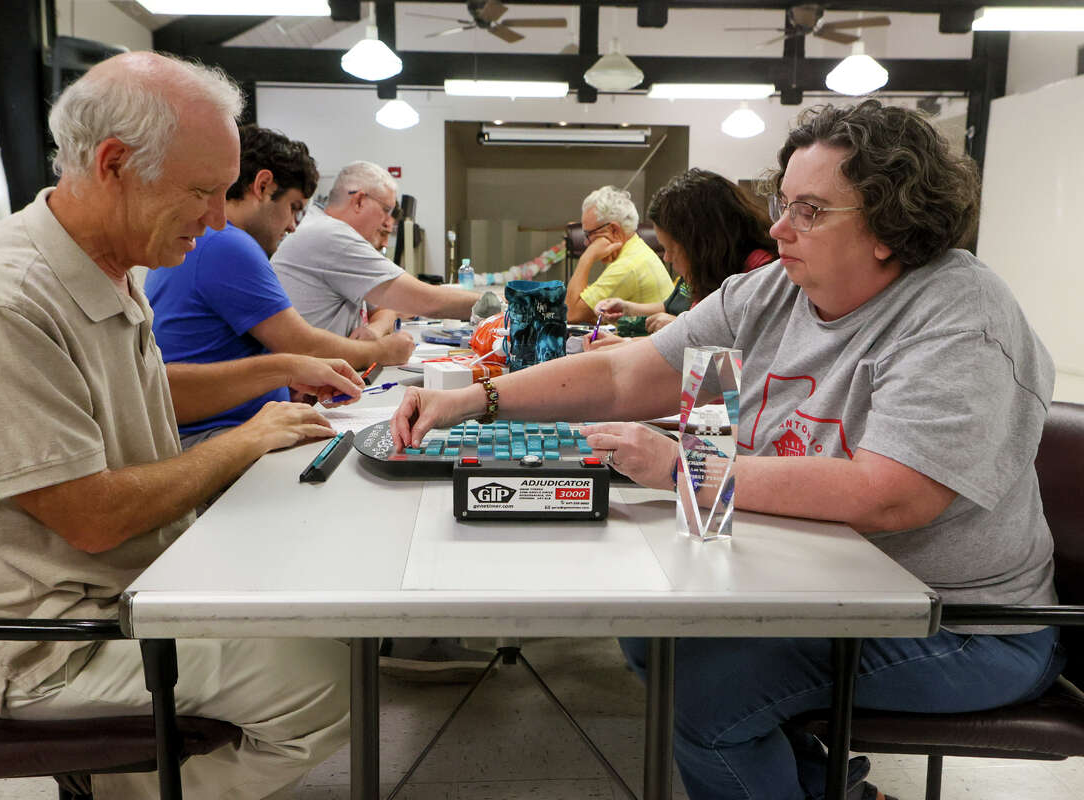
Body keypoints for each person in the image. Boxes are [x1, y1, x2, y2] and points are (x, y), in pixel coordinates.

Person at [390, 100, 1064, 800]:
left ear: (889, 227)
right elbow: (628, 373)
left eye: (809, 211)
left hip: (962, 623)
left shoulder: (959, 313)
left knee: (707, 702)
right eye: (782, 202)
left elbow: (893, 494)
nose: (777, 228)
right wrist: (476, 397)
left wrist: (687, 469)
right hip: (823, 582)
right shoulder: (772, 291)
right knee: (649, 635)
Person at [0, 52, 363, 800]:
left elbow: (141, 395)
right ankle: (119, 791)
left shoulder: (105, 267)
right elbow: (89, 514)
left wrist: (269, 375)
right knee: (329, 682)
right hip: (52, 642)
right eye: (200, 193)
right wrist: (244, 439)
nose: (218, 220)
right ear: (115, 163)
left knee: (325, 589)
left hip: (137, 582)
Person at [146, 124, 415, 446]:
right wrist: (382, 350)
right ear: (262, 185)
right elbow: (302, 344)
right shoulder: (228, 244)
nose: (291, 225)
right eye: (293, 208)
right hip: (212, 435)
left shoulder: (214, 243)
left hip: (221, 423)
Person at [273, 160, 480, 336]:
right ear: (360, 200)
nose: (388, 223)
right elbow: (428, 302)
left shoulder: (323, 226)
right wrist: (501, 303)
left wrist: (374, 331)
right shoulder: (330, 234)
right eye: (386, 210)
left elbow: (386, 306)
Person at [591, 169, 776, 337]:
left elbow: (725, 347)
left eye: (671, 249)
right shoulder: (717, 270)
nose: (667, 258)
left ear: (700, 245)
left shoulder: (757, 280)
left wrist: (587, 258)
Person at [564, 185, 674, 324]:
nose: (586, 242)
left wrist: (587, 257)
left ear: (614, 230)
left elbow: (571, 314)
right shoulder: (635, 249)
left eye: (589, 234)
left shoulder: (627, 266)